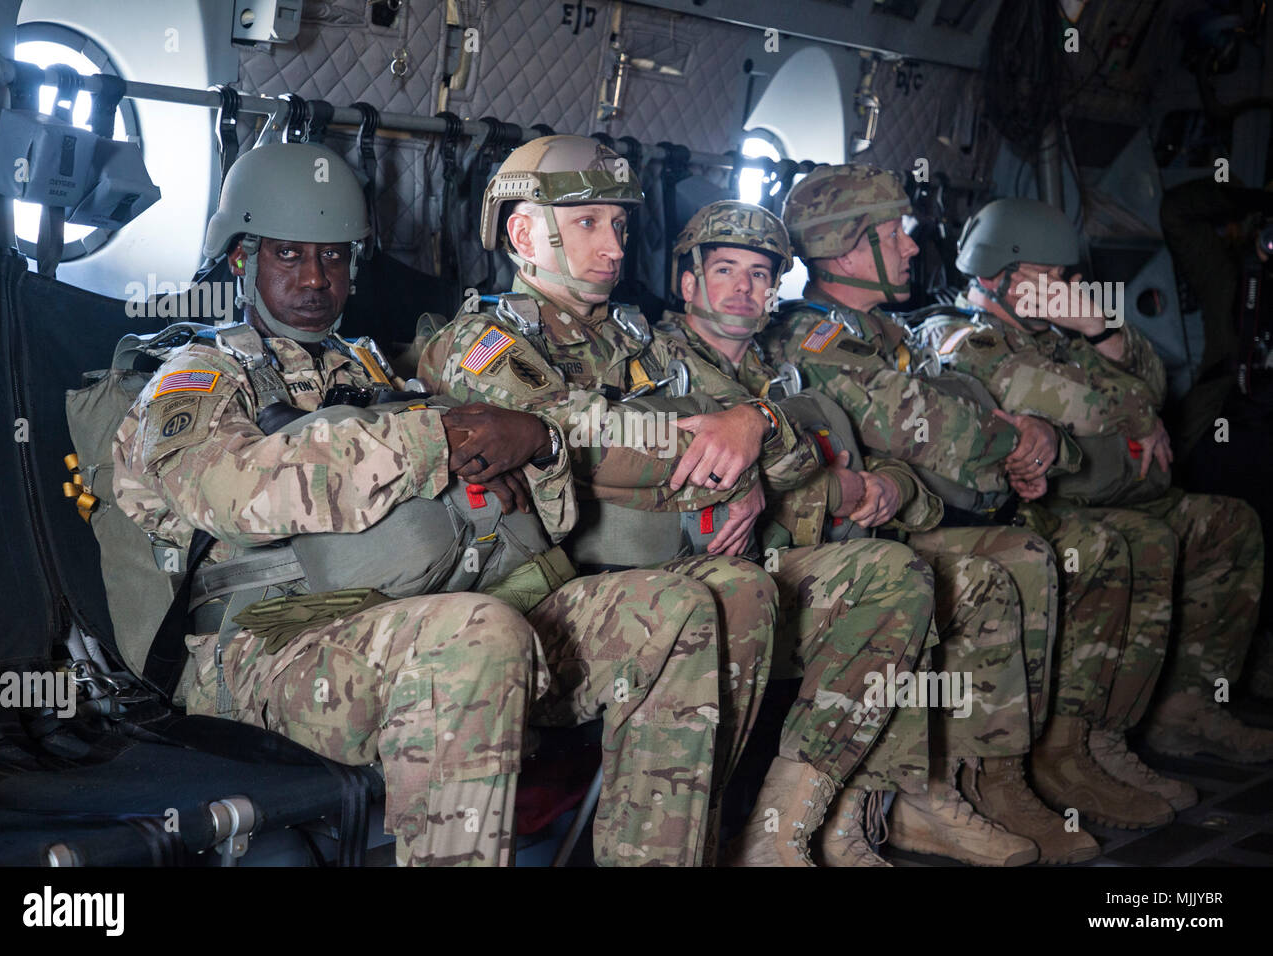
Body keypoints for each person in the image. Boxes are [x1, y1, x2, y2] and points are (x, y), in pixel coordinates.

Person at [113, 141, 737, 867]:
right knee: (475, 633)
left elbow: (535, 509)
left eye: (336, 257)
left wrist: (535, 441)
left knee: (674, 612)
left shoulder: (370, 366)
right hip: (262, 654)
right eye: (289, 255)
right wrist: (433, 438)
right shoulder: (200, 374)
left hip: (417, 606)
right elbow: (235, 494)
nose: (317, 278)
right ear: (239, 259)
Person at [418, 137, 944, 867]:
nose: (613, 246)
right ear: (523, 233)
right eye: (588, 223)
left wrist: (752, 426)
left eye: (621, 226)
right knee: (725, 595)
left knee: (817, 580)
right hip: (546, 593)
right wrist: (720, 453)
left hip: (665, 569)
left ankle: (760, 834)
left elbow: (784, 447)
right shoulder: (480, 341)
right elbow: (585, 440)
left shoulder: (639, 338)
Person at [768, 165, 1184, 858]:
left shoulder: (884, 333)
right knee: (1008, 562)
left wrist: (1036, 437)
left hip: (923, 517)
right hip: (866, 540)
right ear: (844, 250)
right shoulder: (814, 338)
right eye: (893, 234)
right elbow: (933, 425)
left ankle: (1003, 772)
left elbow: (967, 407)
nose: (910, 248)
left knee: (1029, 554)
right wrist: (1023, 440)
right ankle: (930, 791)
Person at [950, 195, 1271, 764]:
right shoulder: (970, 341)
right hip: (1052, 511)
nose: (1068, 286)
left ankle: (1186, 708)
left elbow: (1155, 381)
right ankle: (1085, 742)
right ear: (1006, 275)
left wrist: (1101, 332)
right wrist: (1135, 408)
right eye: (1053, 275)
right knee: (1142, 541)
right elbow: (1088, 406)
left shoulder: (1053, 334)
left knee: (1228, 523)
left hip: (1114, 495)